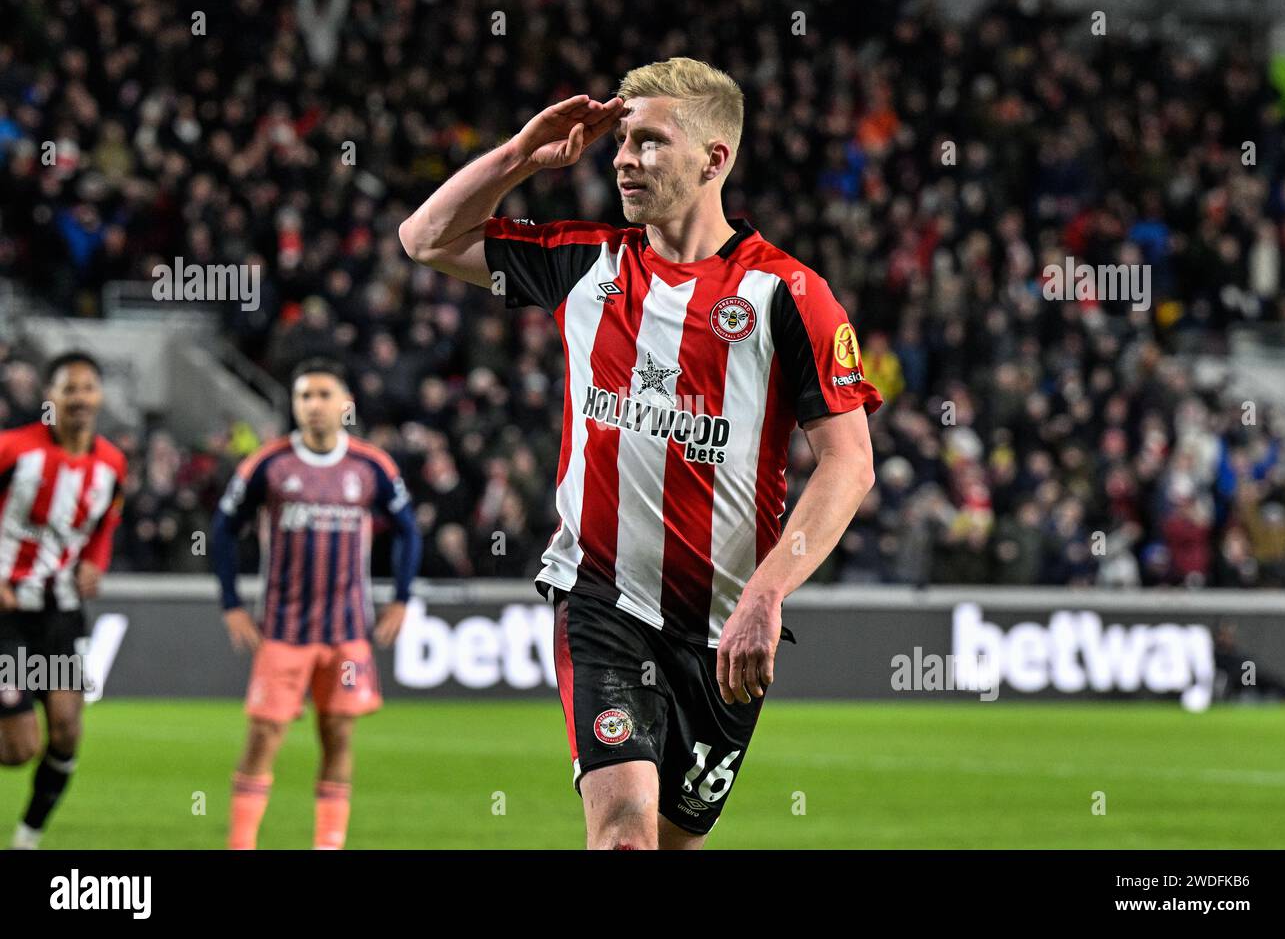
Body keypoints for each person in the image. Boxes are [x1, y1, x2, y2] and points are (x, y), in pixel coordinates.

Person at [399, 58, 881, 848]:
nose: (623, 157)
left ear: (713, 159)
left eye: (650, 142)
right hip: (601, 600)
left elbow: (850, 462)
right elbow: (424, 239)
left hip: (727, 629)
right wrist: (522, 151)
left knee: (669, 842)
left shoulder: (789, 296)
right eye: (622, 140)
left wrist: (766, 595)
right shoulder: (586, 263)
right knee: (624, 836)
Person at [211, 357, 421, 849]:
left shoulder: (372, 466)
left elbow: (409, 531)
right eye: (304, 396)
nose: (314, 405)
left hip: (347, 633)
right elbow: (223, 530)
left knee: (339, 733)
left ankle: (328, 844)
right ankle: (240, 844)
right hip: (283, 631)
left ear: (345, 404)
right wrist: (231, 603)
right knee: (264, 737)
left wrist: (402, 598)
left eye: (324, 395)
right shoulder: (269, 463)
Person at [0, 352, 127, 849]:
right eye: (68, 389)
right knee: (17, 750)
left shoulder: (112, 463)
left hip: (60, 612)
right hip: (6, 614)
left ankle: (27, 839)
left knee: (68, 730)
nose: (78, 398)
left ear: (99, 396)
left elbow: (105, 526)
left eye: (87, 388)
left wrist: (96, 562)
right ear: (49, 398)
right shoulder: (14, 449)